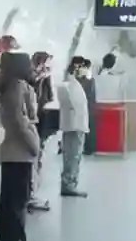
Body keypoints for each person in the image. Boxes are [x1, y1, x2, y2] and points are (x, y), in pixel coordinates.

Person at [0, 51, 39, 241]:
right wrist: (33, 144)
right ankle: (12, 238)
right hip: (19, 151)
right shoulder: (17, 88)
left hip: (12, 151)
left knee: (11, 196)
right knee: (17, 197)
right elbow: (19, 121)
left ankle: (10, 237)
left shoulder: (8, 86)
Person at [56, 56, 90, 198]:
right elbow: (71, 104)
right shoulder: (68, 83)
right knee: (72, 155)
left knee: (74, 155)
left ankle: (70, 183)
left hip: (76, 124)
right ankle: (69, 184)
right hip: (74, 124)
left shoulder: (73, 82)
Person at [28, 51, 57, 212]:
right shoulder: (29, 79)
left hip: (41, 121)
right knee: (32, 157)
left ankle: (33, 191)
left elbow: (49, 98)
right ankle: (29, 193)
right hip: (32, 121)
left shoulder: (45, 79)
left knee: (38, 157)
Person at [80, 58, 98, 155]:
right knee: (90, 128)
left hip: (86, 107)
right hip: (90, 107)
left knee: (87, 128)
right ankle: (90, 148)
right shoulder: (90, 80)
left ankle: (88, 148)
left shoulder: (84, 80)